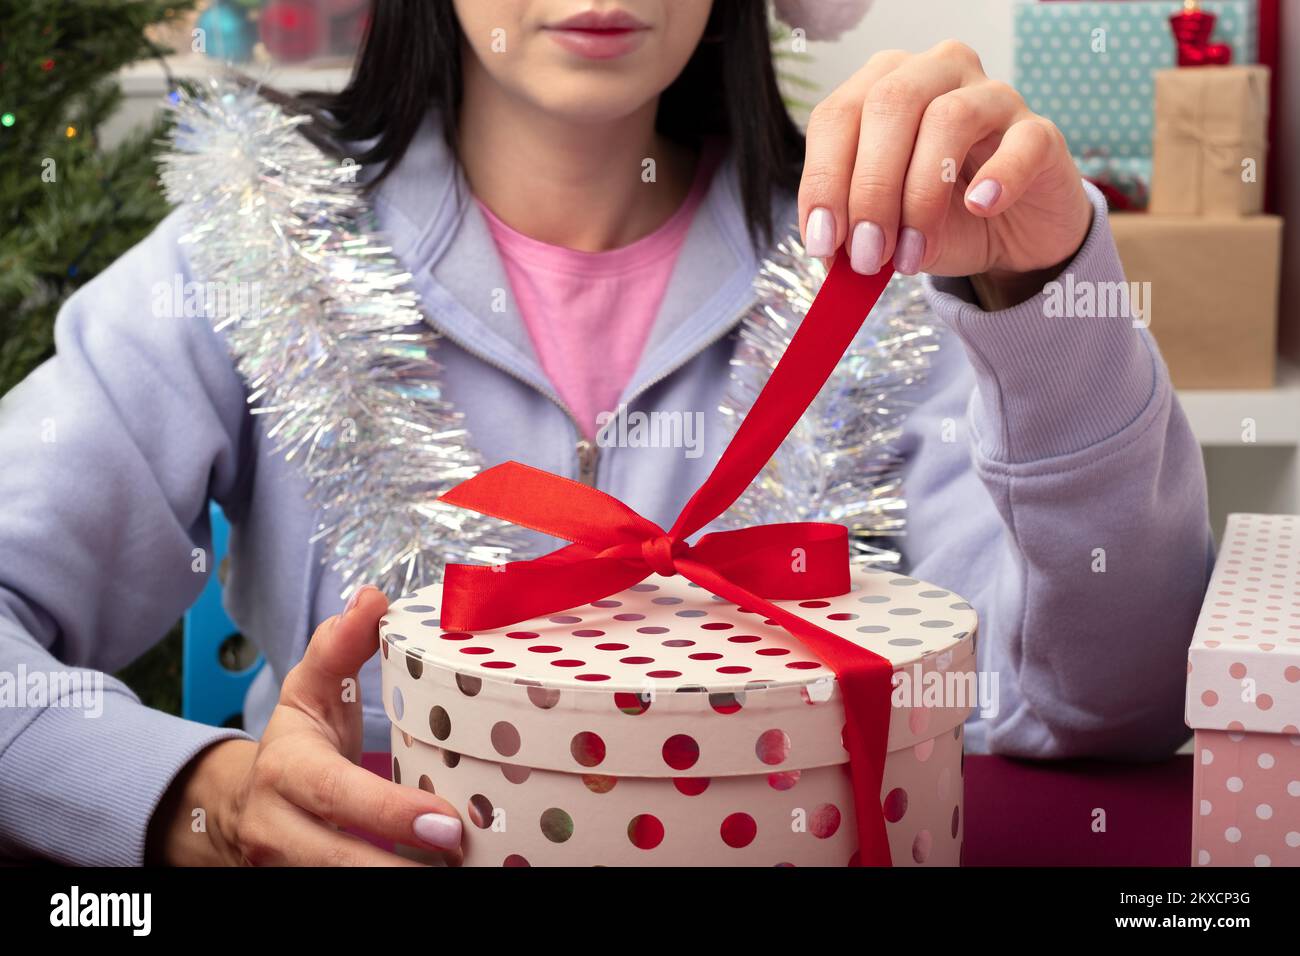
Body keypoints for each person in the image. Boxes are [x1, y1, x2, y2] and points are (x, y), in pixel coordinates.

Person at [0, 0, 1211, 866]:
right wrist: (188, 796)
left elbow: (1112, 708)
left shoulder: (889, 269)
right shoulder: (251, 246)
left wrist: (1047, 290)